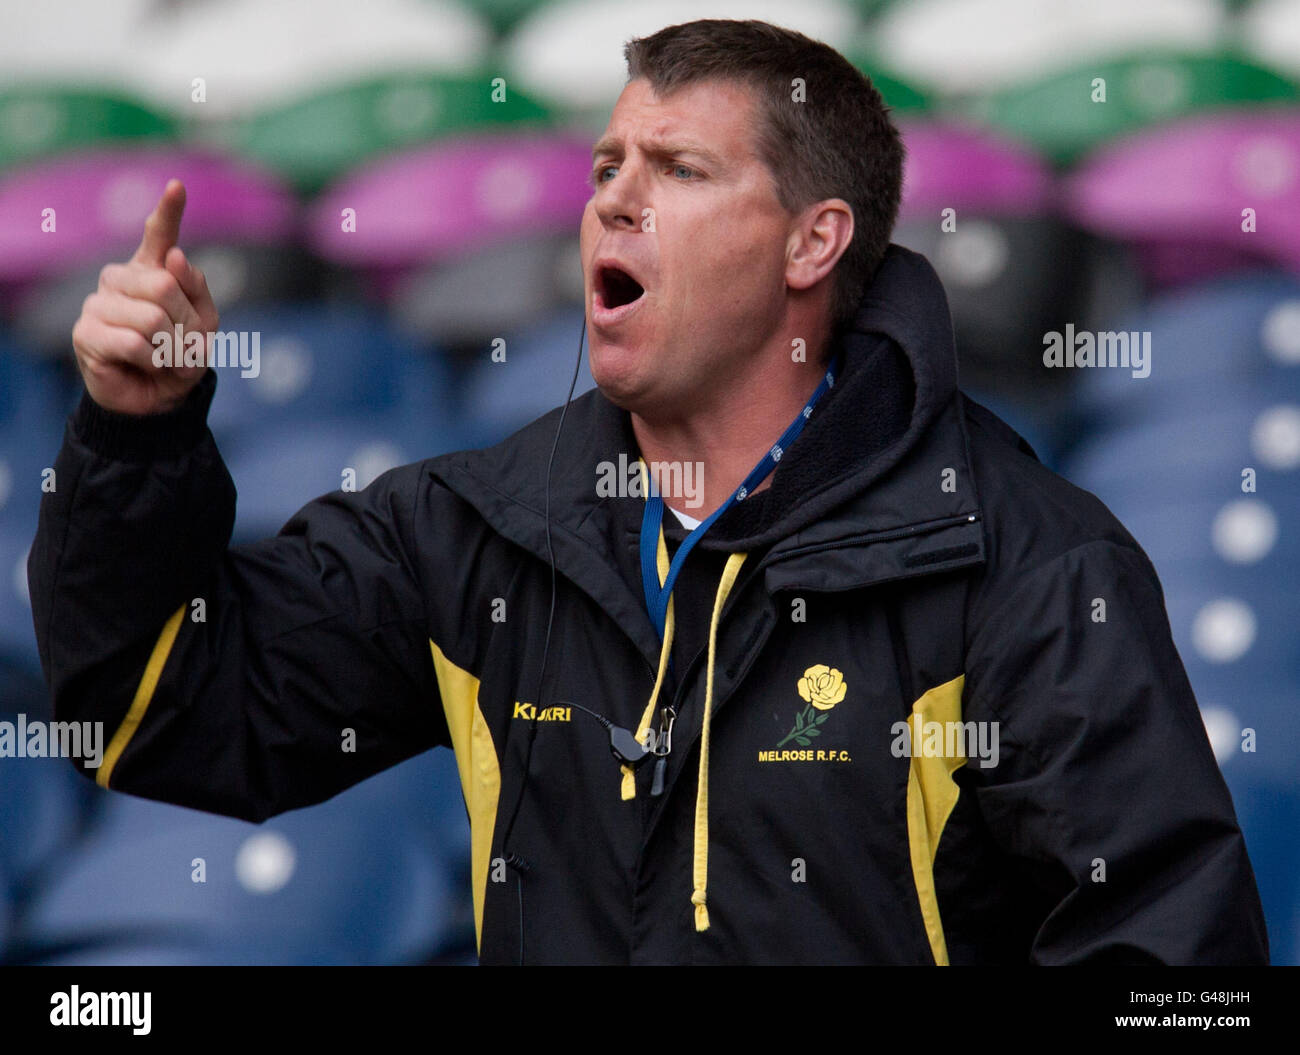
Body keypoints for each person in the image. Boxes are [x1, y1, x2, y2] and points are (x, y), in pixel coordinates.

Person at [30, 19, 1268, 965]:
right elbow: (161, 709)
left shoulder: (1026, 561)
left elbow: (1169, 961)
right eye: (606, 165)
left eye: (677, 168)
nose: (614, 199)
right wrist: (137, 436)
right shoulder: (476, 528)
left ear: (812, 242)